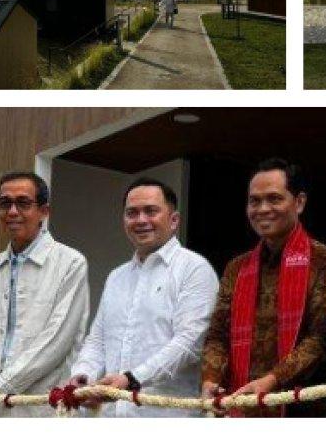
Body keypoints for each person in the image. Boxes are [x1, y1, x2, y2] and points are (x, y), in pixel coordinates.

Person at [200, 159, 326, 417]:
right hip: (240, 402)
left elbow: (320, 340)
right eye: (254, 201)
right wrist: (210, 379)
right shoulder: (237, 267)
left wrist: (271, 382)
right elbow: (218, 334)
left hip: (303, 406)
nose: (263, 209)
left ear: (299, 202)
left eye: (274, 199)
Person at [68, 178, 218, 417]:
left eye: (151, 211)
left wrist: (132, 379)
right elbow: (97, 341)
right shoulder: (116, 276)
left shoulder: (194, 269)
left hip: (165, 418)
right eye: (132, 213)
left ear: (174, 220)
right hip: (110, 417)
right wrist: (82, 377)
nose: (140, 220)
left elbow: (190, 343)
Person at [0, 172, 90, 417]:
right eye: (5, 203)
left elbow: (56, 342)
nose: (12, 211)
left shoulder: (70, 263)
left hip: (38, 411)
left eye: (23, 203)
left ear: (44, 211)